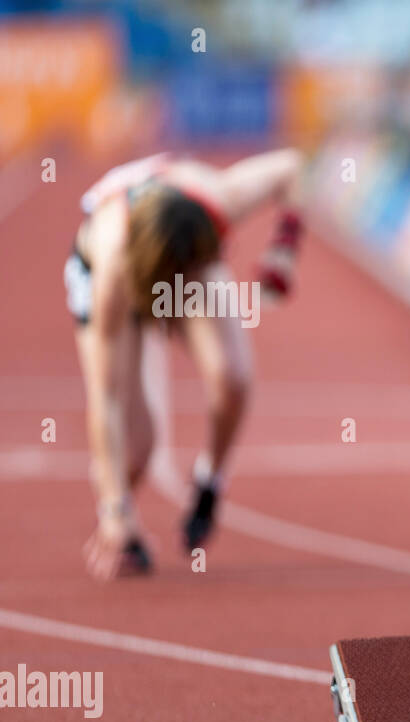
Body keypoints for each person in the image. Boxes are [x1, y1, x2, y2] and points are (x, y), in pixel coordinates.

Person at [65, 149, 304, 580]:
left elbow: (292, 167)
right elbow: (106, 398)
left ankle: (210, 480)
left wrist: (283, 248)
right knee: (137, 448)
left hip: (181, 251)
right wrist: (114, 508)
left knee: (232, 377)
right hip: (121, 265)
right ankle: (119, 521)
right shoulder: (112, 265)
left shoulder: (222, 198)